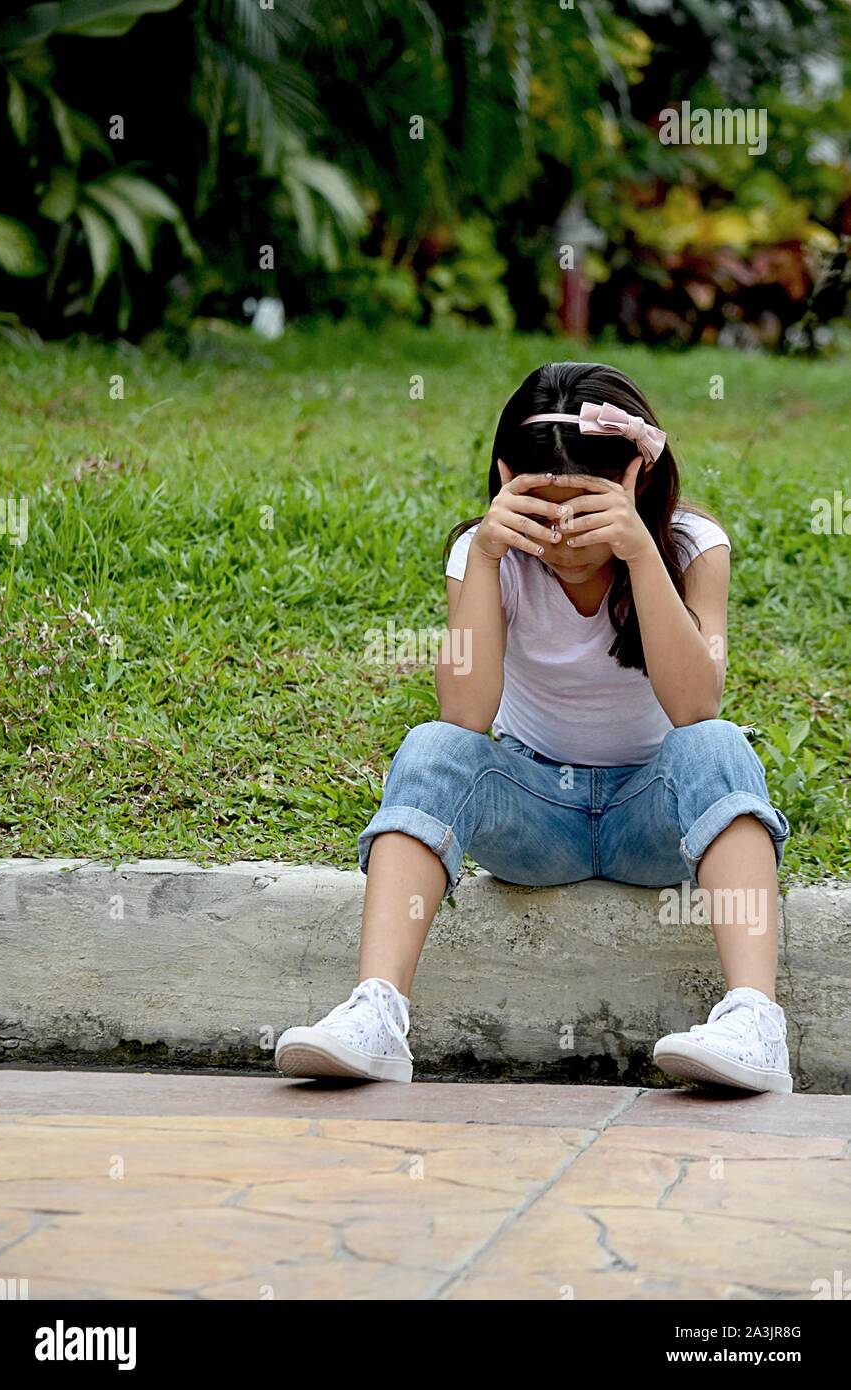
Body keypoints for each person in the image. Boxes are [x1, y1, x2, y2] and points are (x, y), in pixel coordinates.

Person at [276, 362, 791, 1093]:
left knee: (718, 744)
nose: (563, 536)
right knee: (430, 745)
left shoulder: (688, 546)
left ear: (636, 477)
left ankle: (755, 1020)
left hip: (656, 821)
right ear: (506, 475)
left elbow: (694, 706)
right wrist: (487, 555)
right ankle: (377, 1013)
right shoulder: (486, 554)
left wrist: (639, 551)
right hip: (536, 820)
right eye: (543, 507)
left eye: (585, 508)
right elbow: (466, 715)